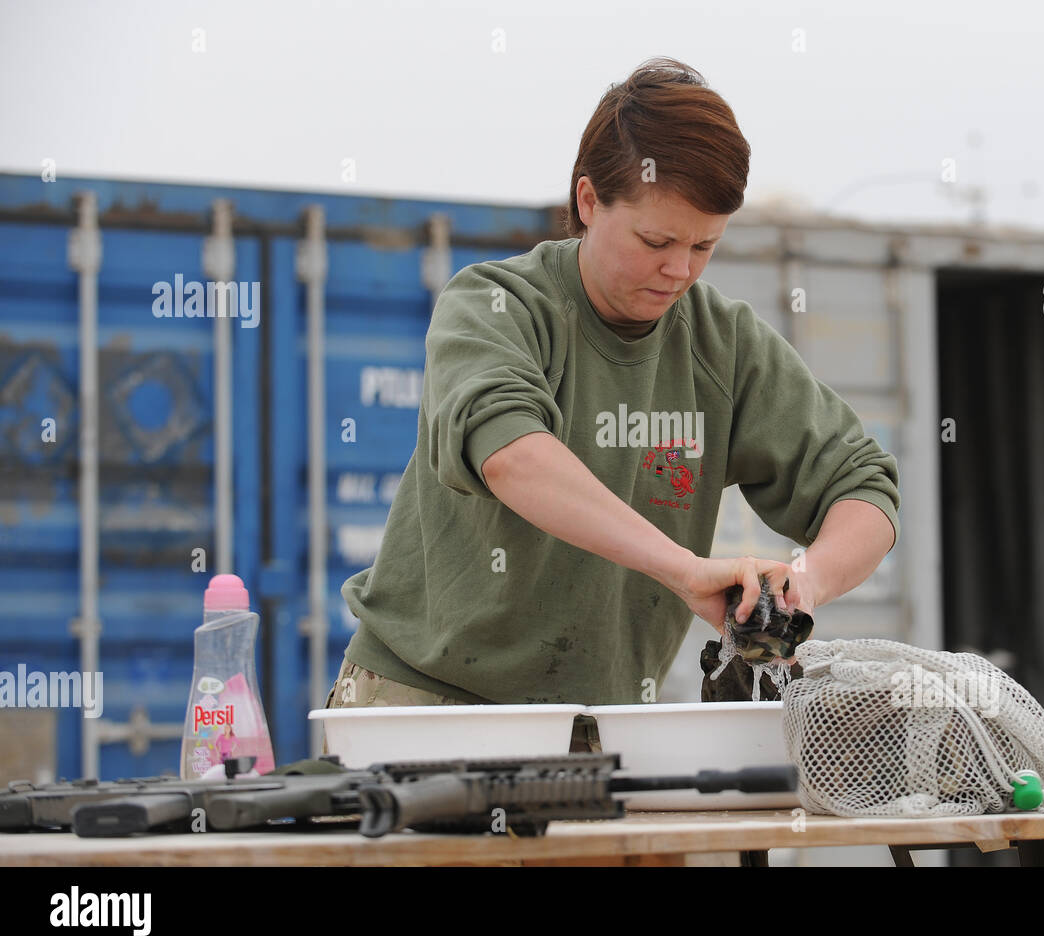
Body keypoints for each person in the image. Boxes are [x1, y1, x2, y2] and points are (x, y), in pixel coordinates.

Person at [323, 57, 900, 753]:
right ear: (590, 202)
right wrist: (683, 569)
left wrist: (806, 585)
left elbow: (863, 486)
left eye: (704, 246)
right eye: (656, 242)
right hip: (425, 712)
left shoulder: (726, 345)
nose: (680, 269)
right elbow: (512, 456)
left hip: (605, 730)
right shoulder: (496, 306)